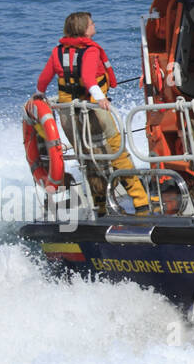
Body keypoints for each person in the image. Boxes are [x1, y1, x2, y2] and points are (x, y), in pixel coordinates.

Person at [36, 12, 151, 215]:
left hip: (68, 114)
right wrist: (101, 99)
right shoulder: (90, 51)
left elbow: (44, 79)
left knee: (88, 157)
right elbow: (88, 78)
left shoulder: (57, 51)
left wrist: (39, 95)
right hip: (94, 111)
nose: (94, 25)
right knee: (117, 152)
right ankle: (141, 200)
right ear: (83, 28)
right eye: (91, 23)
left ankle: (100, 205)